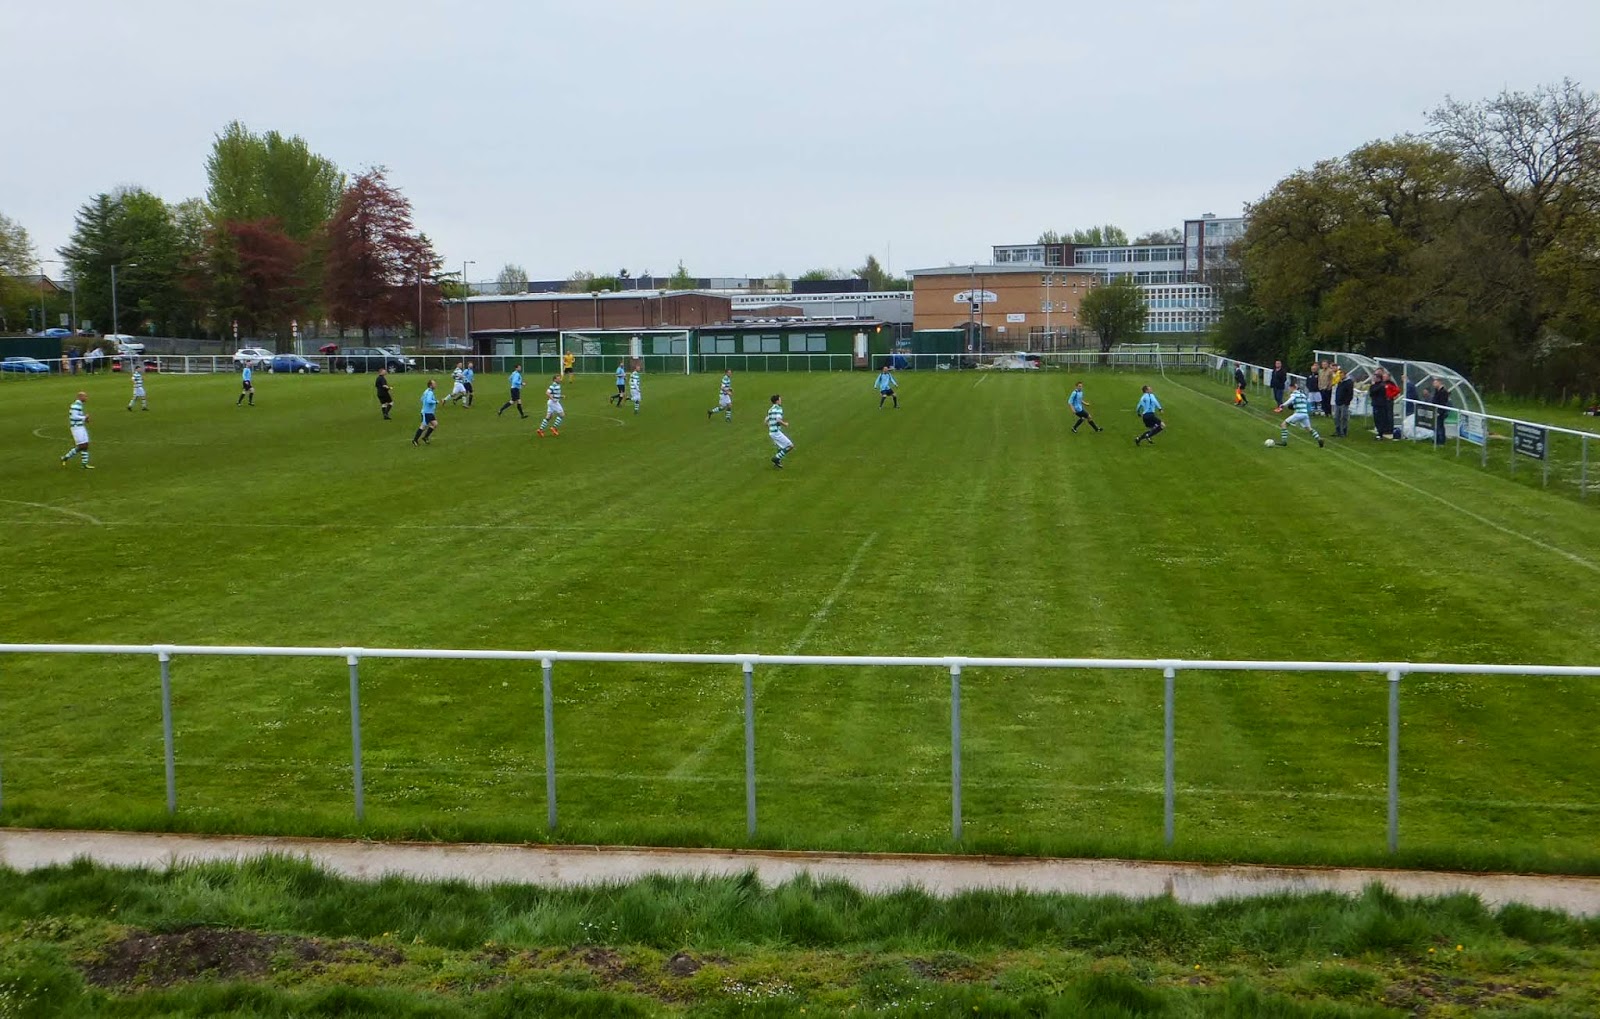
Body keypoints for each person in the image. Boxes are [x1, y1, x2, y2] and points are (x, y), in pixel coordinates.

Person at [1274, 380, 1325, 448]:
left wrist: (1283, 405)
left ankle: (1284, 442)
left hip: (1298, 413)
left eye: (1290, 388)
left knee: (1284, 424)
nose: (1289, 389)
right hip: (1305, 414)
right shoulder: (1303, 395)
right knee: (1309, 428)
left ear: (1292, 387)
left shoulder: (1294, 394)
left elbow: (1291, 400)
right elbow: (1307, 402)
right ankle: (1319, 439)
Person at [59, 391, 93, 469]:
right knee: (82, 446)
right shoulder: (75, 405)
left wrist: (85, 419)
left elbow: (78, 416)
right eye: (85, 396)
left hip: (80, 427)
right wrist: (84, 417)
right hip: (76, 428)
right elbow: (74, 416)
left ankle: (84, 464)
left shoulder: (79, 405)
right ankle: (65, 458)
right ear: (80, 397)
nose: (87, 398)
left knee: (85, 445)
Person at [766, 393, 793, 468]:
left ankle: (777, 463)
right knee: (790, 446)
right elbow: (778, 419)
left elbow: (765, 421)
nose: (781, 401)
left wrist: (770, 425)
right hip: (776, 432)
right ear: (777, 401)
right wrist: (785, 424)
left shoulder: (770, 410)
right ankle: (776, 458)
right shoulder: (779, 409)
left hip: (771, 432)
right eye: (780, 400)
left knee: (781, 447)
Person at [412, 379, 439, 445]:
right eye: (434, 384)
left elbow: (421, 399)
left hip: (429, 412)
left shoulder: (426, 391)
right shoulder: (430, 392)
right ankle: (415, 440)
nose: (435, 385)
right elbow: (428, 401)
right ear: (430, 385)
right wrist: (435, 402)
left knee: (435, 424)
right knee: (423, 426)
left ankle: (425, 437)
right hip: (426, 413)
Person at [1333, 370, 1355, 438]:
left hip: (1344, 403)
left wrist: (1346, 402)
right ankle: (1338, 430)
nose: (1340, 376)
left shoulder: (1349, 382)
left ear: (1345, 375)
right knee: (1336, 417)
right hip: (1338, 402)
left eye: (1341, 375)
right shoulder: (1340, 382)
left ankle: (1343, 431)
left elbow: (1350, 393)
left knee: (1343, 417)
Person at [1431, 380, 1451, 446]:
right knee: (1437, 425)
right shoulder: (1437, 391)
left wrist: (1439, 412)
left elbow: (1443, 403)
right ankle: (1437, 440)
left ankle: (1441, 441)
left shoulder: (1443, 392)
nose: (1433, 384)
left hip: (1441, 412)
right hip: (1437, 410)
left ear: (1439, 383)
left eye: (1435, 383)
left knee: (1440, 426)